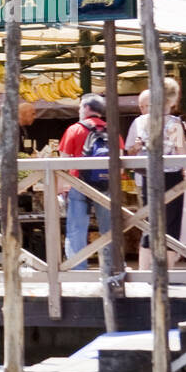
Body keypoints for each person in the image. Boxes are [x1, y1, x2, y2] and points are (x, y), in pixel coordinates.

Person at [129, 77, 186, 271]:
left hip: (149, 175)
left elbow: (132, 149)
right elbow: (181, 155)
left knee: (150, 223)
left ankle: (144, 271)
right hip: (171, 177)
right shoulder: (174, 124)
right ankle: (168, 272)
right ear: (173, 100)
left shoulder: (140, 121)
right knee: (170, 225)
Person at [59, 93, 111, 272]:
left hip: (78, 184)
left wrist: (61, 189)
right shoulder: (111, 130)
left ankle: (78, 269)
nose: (79, 110)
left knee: (76, 230)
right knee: (109, 229)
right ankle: (110, 268)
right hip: (106, 186)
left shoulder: (74, 129)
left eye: (80, 106)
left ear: (87, 109)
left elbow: (62, 162)